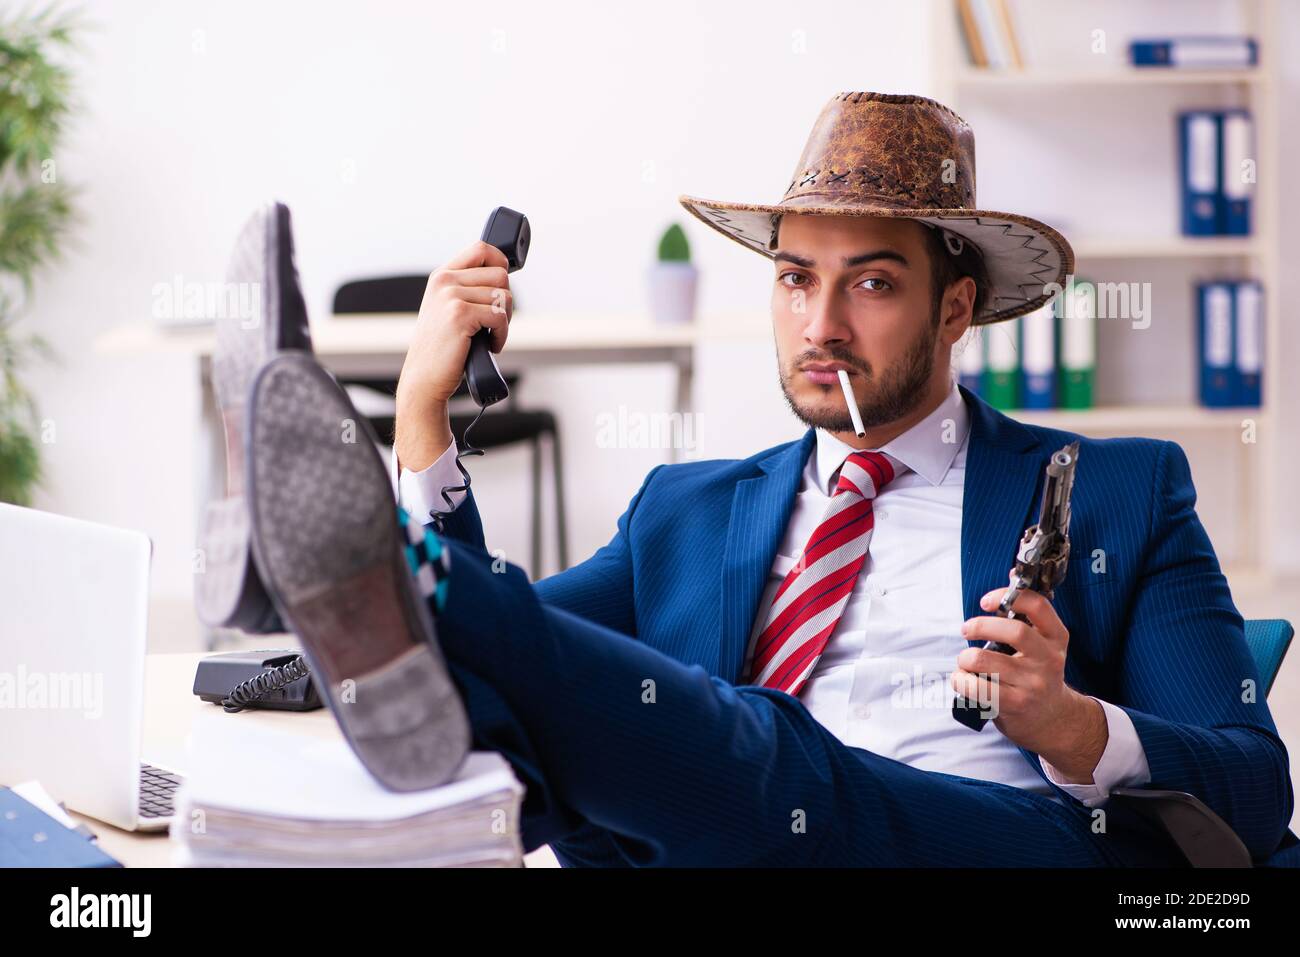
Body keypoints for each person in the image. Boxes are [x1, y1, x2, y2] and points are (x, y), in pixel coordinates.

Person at [213, 93, 1295, 867]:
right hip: (692, 842)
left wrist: (1071, 726)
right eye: (794, 279)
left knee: (773, 749)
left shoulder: (1120, 492)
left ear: (954, 311)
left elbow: (1253, 786)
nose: (818, 326)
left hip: (985, 839)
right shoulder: (685, 510)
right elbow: (496, 667)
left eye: (870, 283)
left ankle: (375, 563)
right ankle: (376, 573)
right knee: (514, 702)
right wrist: (419, 418)